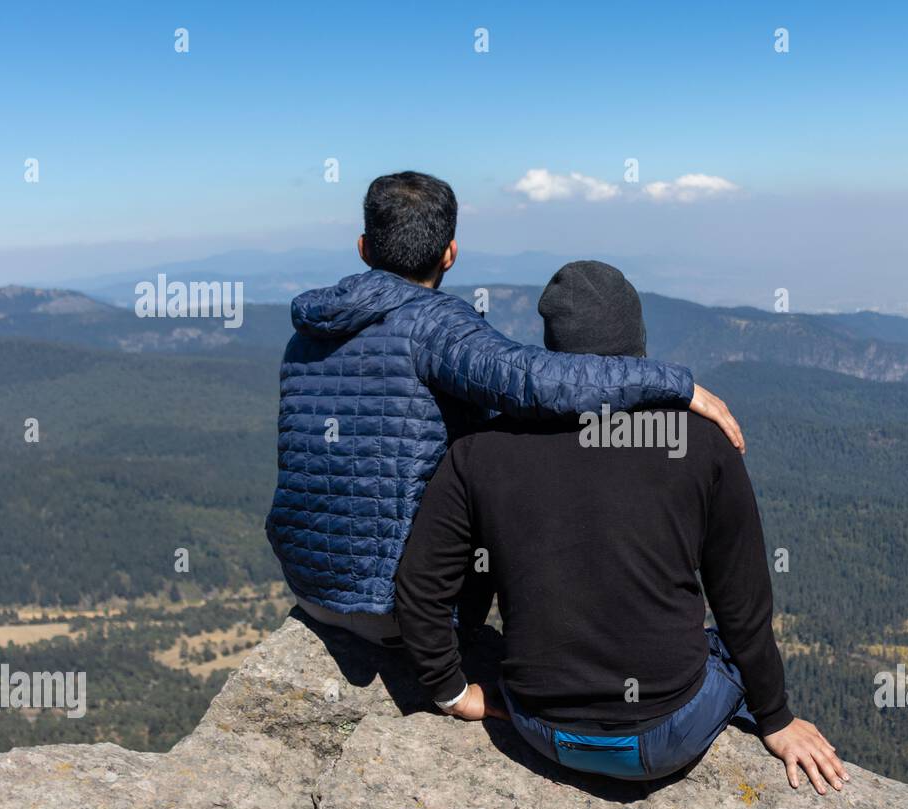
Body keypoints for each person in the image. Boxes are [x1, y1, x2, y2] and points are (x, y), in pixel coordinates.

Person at [395, 261, 847, 792]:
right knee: (721, 646)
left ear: (551, 347)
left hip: (540, 728)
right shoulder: (701, 443)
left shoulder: (480, 450)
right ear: (638, 345)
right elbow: (743, 607)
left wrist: (453, 692)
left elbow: (420, 587)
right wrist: (776, 719)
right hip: (671, 732)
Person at [264, 173, 742, 647]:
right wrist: (673, 383)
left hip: (309, 588)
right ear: (450, 252)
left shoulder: (307, 332)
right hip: (398, 610)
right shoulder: (433, 325)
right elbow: (538, 380)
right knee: (506, 449)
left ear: (364, 247)